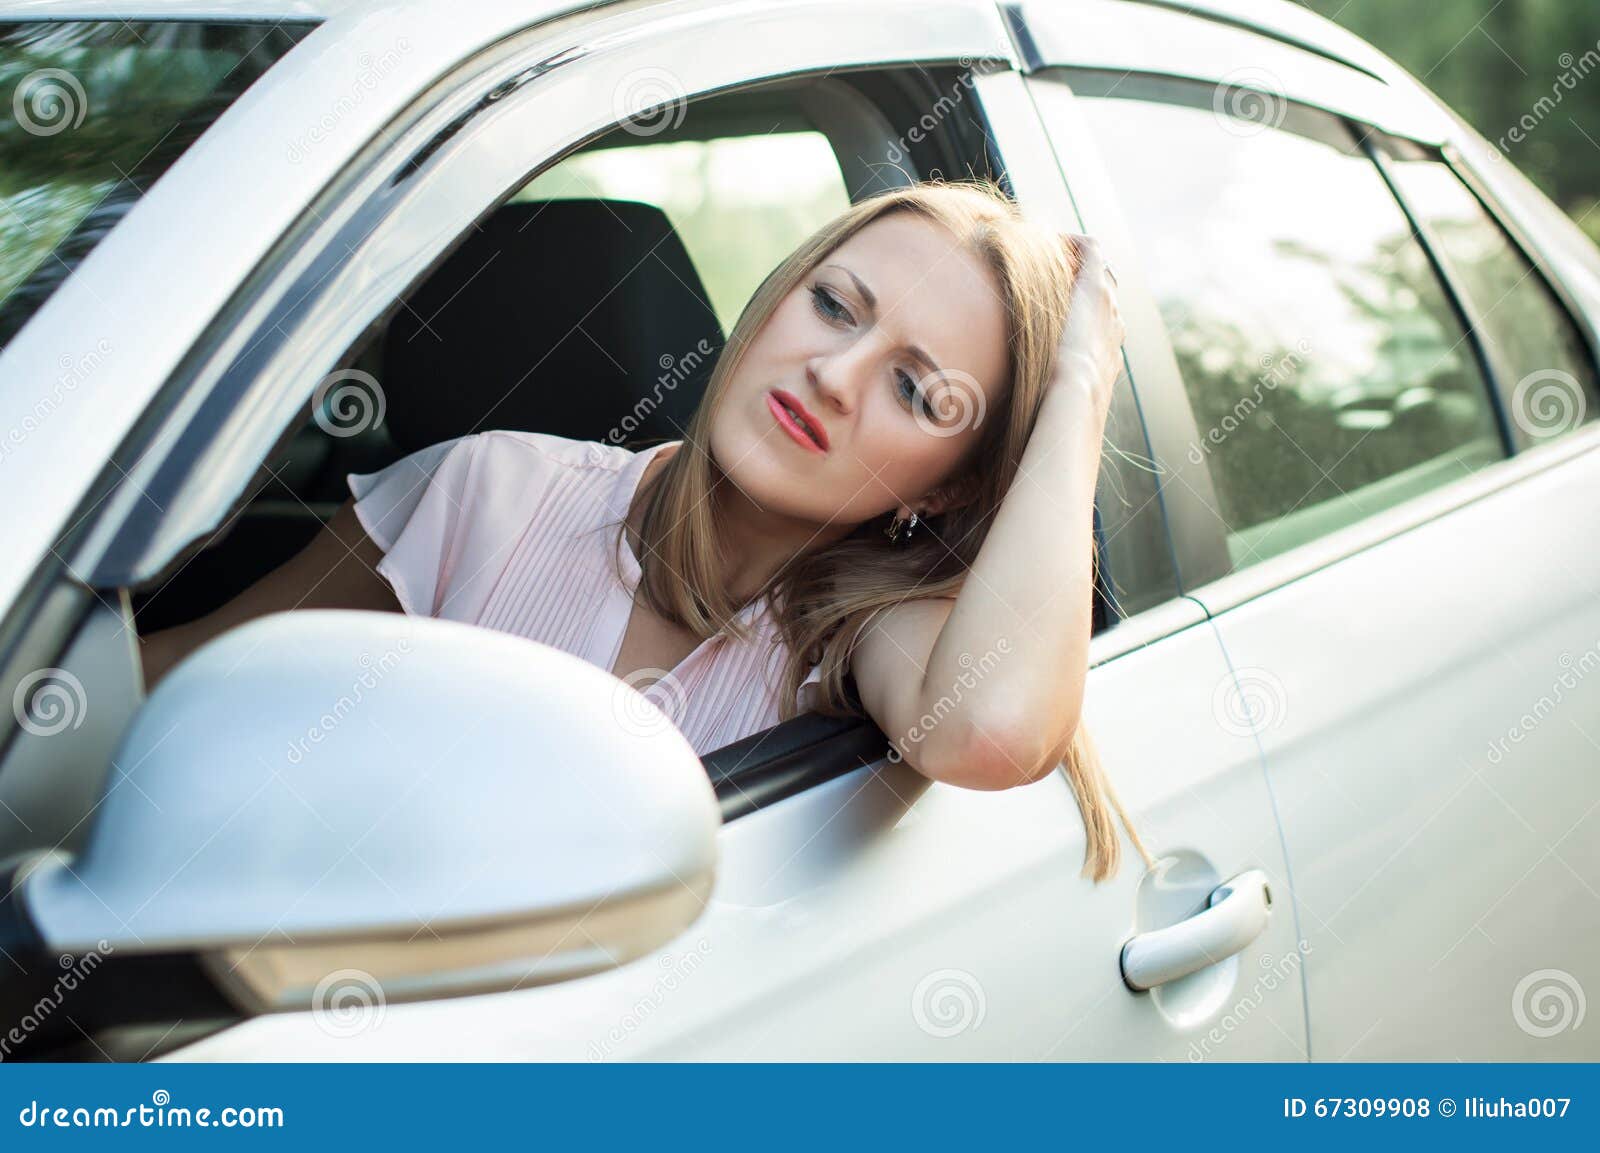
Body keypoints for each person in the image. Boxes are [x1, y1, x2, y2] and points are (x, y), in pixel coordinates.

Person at [140, 180, 1141, 881]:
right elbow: (166, 682)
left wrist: (1083, 381)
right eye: (833, 306)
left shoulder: (863, 634)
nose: (832, 376)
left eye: (916, 389)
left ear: (949, 493)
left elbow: (996, 731)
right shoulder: (490, 489)